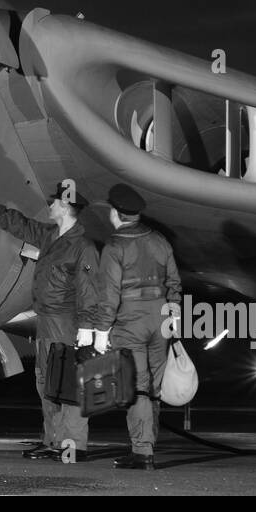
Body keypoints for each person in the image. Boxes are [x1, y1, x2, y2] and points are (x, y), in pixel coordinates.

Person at [0, 181, 99, 461]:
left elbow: (89, 288)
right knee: (46, 383)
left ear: (66, 207)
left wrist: (87, 327)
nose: (50, 205)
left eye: (55, 202)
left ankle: (72, 445)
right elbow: (19, 225)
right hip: (46, 321)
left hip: (66, 323)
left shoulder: (83, 247)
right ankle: (53, 441)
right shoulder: (50, 236)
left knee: (68, 384)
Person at [86, 184, 181, 470]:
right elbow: (174, 282)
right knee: (154, 385)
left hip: (130, 319)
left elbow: (109, 294)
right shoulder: (160, 240)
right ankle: (147, 444)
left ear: (115, 213)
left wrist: (101, 332)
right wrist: (173, 315)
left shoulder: (115, 246)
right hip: (161, 315)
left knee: (137, 386)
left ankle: (142, 452)